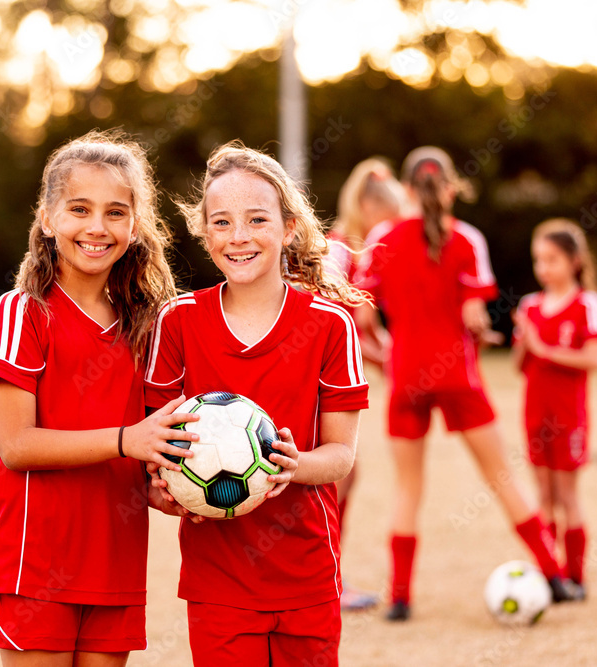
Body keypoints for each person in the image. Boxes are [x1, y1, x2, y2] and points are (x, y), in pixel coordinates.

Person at [0, 130, 201, 667]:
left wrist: (162, 486)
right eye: (80, 209)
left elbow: (143, 445)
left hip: (115, 558)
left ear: (135, 225)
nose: (97, 227)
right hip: (36, 560)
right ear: (48, 218)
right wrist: (130, 442)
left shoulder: (149, 323)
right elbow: (17, 446)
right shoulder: (21, 313)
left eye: (116, 212)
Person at [145, 142, 369, 667]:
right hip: (217, 578)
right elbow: (152, 444)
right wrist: (160, 488)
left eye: (256, 219)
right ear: (203, 232)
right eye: (221, 222)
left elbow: (340, 456)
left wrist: (296, 466)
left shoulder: (329, 324)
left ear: (289, 227)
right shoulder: (178, 322)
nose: (238, 237)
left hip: (307, 571)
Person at [356, 146, 582, 622]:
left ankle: (399, 599)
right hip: (458, 373)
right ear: (452, 188)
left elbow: (362, 312)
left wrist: (386, 353)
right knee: (502, 477)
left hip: (407, 376)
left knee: (407, 489)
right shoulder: (467, 240)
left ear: (406, 190)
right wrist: (480, 336)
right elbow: (474, 315)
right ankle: (555, 576)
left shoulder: (381, 237)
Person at [513, 218, 597, 597]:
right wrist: (523, 341)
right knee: (544, 496)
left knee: (568, 495)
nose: (544, 268)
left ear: (574, 261)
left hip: (569, 415)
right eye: (539, 260)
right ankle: (549, 576)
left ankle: (576, 577)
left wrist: (543, 348)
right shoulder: (530, 305)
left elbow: (595, 358)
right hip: (535, 412)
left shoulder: (588, 303)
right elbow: (520, 366)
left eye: (552, 259)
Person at [327, 157, 404, 611]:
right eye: (387, 219)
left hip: (338, 381)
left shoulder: (360, 252)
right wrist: (390, 359)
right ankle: (326, 578)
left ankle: (332, 575)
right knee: (338, 475)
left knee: (345, 476)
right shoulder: (340, 251)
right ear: (369, 208)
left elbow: (366, 331)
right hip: (319, 379)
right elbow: (339, 324)